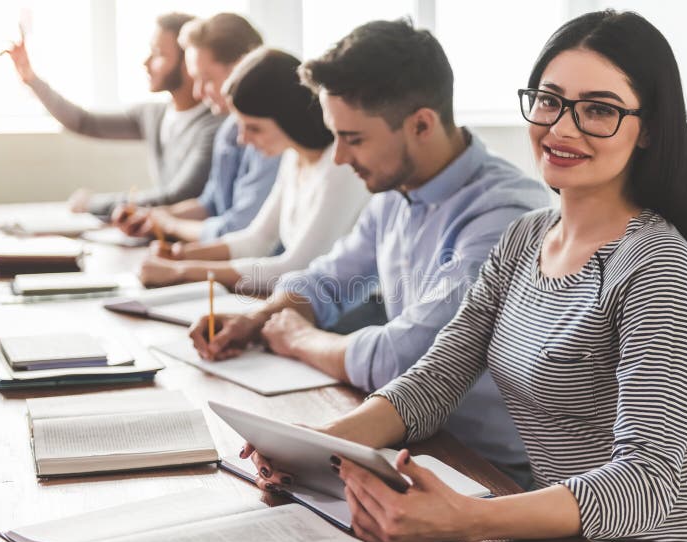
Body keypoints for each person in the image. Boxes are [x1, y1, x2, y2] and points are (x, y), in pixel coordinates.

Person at [236, 10, 687, 542]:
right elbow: (432, 383)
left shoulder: (656, 266)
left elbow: (647, 480)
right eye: (550, 100)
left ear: (647, 129)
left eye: (598, 110)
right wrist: (312, 445)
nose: (561, 128)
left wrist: (466, 518)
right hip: (569, 535)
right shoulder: (524, 238)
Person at [190, 20, 550, 486]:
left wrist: (298, 338)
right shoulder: (393, 190)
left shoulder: (505, 214)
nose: (338, 157)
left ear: (421, 124)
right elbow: (325, 279)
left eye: (353, 138)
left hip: (490, 470)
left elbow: (405, 357)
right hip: (407, 440)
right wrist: (256, 322)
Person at [139, 48, 370, 293]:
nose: (242, 139)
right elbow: (257, 240)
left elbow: (297, 267)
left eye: (254, 128)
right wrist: (181, 255)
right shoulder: (293, 157)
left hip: (351, 308)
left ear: (288, 118)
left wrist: (182, 272)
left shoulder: (340, 167)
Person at [2, 13, 223, 216]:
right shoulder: (153, 114)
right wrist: (31, 79)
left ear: (189, 61)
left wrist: (93, 203)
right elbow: (83, 122)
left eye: (158, 54)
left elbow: (178, 195)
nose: (145, 63)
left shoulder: (213, 125)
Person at [116, 13, 281, 243]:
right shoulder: (228, 130)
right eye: (196, 80)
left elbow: (239, 228)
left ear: (242, 67)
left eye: (207, 79)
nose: (198, 93)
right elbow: (210, 203)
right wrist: (155, 215)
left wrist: (170, 224)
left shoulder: (275, 138)